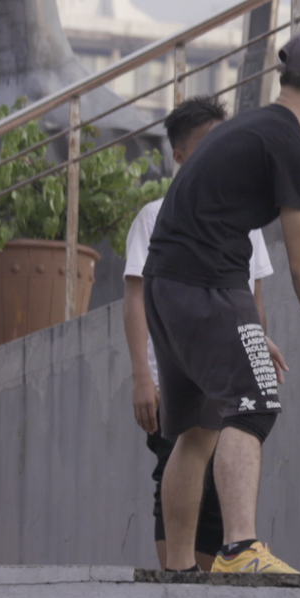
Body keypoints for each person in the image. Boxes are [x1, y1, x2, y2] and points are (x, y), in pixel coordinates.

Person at [142, 29, 300, 574]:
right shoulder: (291, 145)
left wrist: (236, 322)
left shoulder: (248, 128)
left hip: (169, 284)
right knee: (256, 402)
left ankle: (178, 569)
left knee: (199, 428)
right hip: (206, 284)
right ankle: (240, 549)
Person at [123, 96, 275, 570]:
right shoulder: (156, 214)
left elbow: (251, 295)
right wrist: (141, 376)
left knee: (219, 474)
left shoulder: (244, 219)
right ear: (181, 158)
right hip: (178, 363)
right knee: (180, 453)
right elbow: (136, 296)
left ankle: (211, 574)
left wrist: (258, 345)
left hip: (227, 356)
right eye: (210, 145)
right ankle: (182, 568)